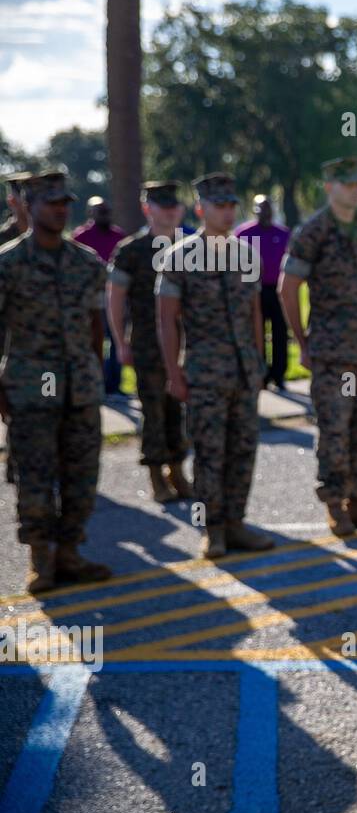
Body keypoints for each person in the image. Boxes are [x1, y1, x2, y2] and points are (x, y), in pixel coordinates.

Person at [0, 171, 112, 592]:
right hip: (30, 389)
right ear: (29, 206)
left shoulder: (86, 263)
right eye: (51, 203)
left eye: (65, 202)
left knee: (82, 476)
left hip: (80, 388)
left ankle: (69, 553)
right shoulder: (8, 264)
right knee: (33, 477)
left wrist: (94, 371)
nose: (61, 210)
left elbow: (94, 323)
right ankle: (40, 560)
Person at [279, 156, 357, 537]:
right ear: (329, 187)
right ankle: (335, 504)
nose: (356, 190)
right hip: (333, 352)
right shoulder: (313, 231)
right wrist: (302, 341)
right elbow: (288, 289)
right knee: (335, 427)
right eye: (347, 184)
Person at [156, 172, 275, 560]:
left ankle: (237, 523)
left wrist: (259, 363)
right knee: (208, 453)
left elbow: (256, 313)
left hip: (243, 370)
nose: (226, 212)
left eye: (230, 205)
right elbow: (168, 320)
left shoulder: (246, 254)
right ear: (201, 209)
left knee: (243, 450)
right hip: (204, 374)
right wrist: (174, 373)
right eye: (218, 206)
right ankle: (213, 530)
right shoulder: (178, 256)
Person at [107, 181, 193, 503]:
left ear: (181, 210)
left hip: (184, 344)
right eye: (162, 206)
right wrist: (120, 341)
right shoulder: (132, 250)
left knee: (179, 409)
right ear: (148, 209)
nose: (169, 211)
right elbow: (115, 299)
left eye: (174, 206)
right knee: (153, 408)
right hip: (146, 342)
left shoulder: (191, 248)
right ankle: (156, 475)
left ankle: (178, 470)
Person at [234, 194, 291, 390]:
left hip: (278, 290)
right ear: (254, 211)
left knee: (280, 333)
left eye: (266, 208)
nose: (263, 213)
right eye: (259, 209)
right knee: (255, 332)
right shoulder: (243, 233)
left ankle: (279, 373)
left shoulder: (283, 234)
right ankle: (261, 373)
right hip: (253, 291)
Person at [72, 196, 127, 397]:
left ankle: (115, 385)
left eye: (106, 210)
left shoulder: (118, 235)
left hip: (115, 296)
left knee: (116, 339)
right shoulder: (81, 236)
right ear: (90, 213)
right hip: (91, 297)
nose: (104, 214)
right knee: (93, 339)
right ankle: (97, 382)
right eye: (99, 210)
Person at [0, 171, 32, 487]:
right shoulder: (3, 245)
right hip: (8, 348)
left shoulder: (50, 240)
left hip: (44, 346)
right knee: (15, 410)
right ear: (13, 200)